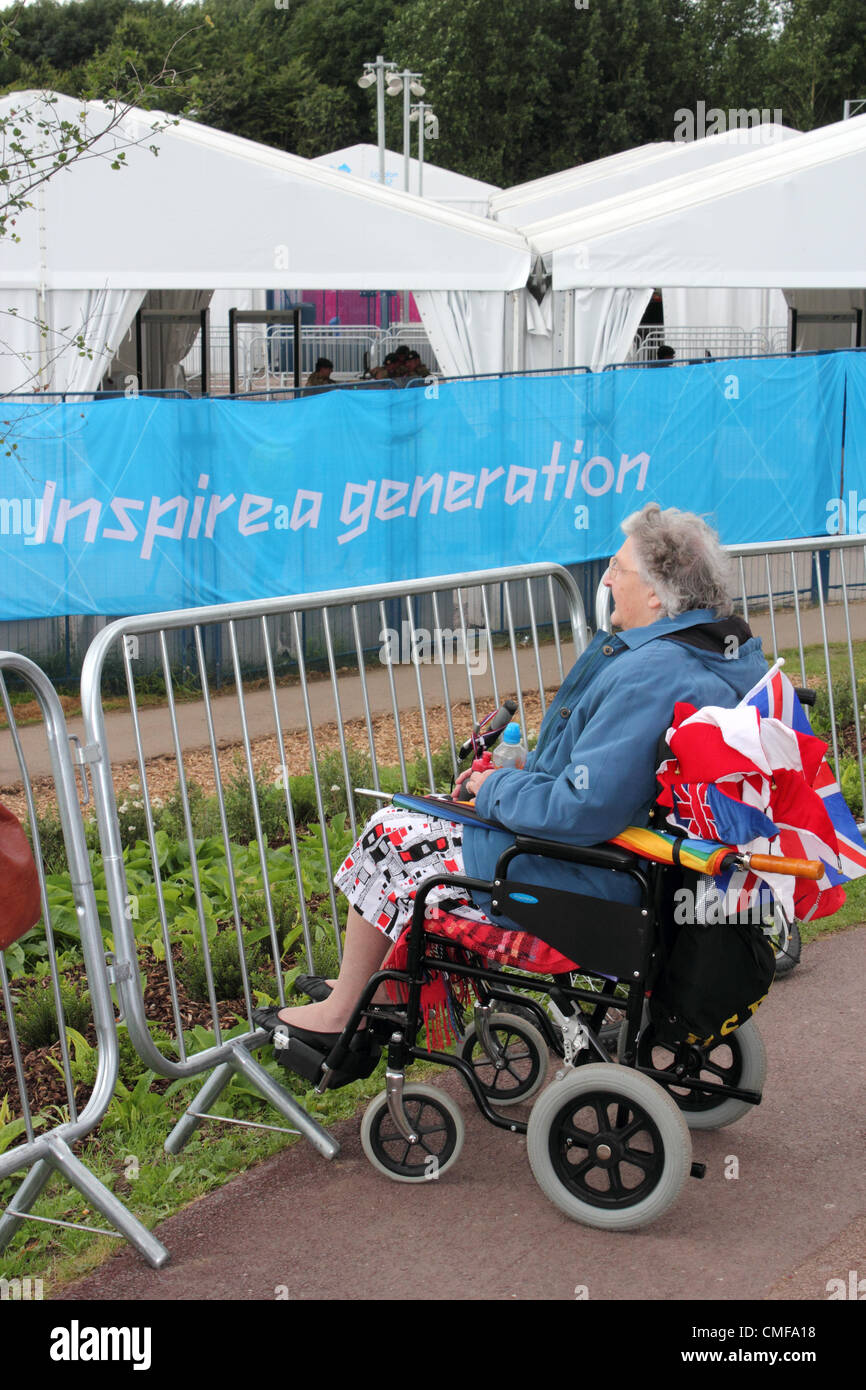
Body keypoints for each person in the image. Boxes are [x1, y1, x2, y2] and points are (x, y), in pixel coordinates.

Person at [254, 503, 768, 1045]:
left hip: (586, 880)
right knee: (418, 817)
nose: (608, 578)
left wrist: (491, 785)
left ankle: (342, 1015)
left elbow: (582, 807)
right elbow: (614, 777)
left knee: (389, 833)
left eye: (619, 568)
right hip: (646, 870)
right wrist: (527, 768)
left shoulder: (653, 671)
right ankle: (373, 988)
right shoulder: (720, 658)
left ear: (659, 593)